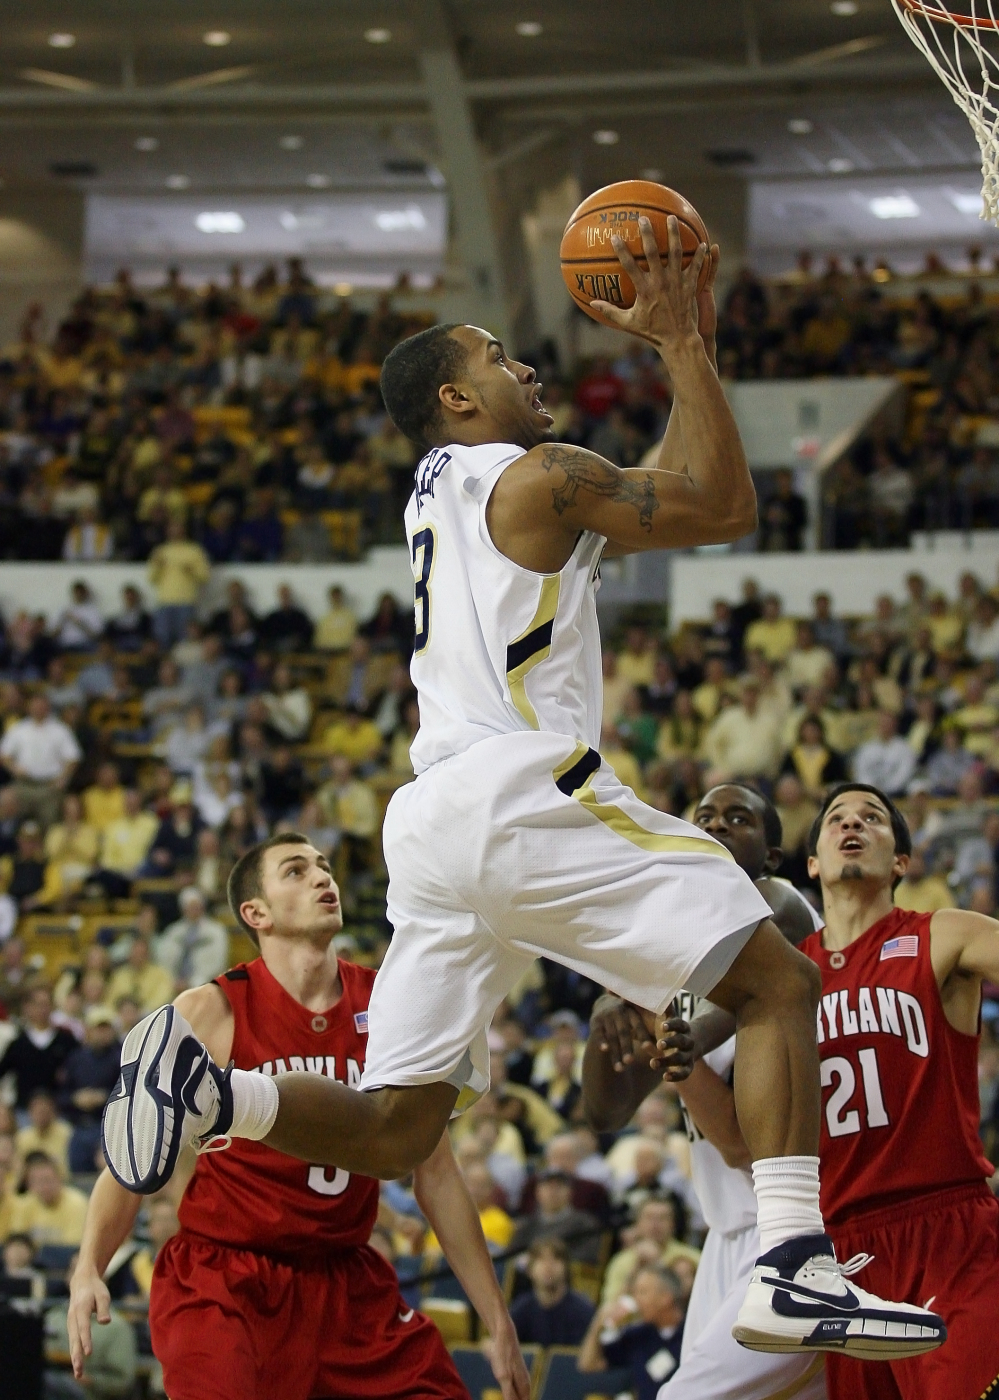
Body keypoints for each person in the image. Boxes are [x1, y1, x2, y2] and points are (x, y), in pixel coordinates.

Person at [102, 220, 941, 1358]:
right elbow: (722, 504)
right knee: (780, 979)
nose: (528, 365)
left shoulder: (452, 492)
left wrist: (678, 375)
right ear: (456, 396)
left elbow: (657, 487)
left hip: (430, 819)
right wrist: (681, 345)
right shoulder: (542, 476)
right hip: (518, 791)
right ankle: (793, 1263)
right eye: (499, 357)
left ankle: (216, 1094)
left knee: (400, 1129)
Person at [73, 833, 528, 1400]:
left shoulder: (388, 1006)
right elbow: (134, 1151)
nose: (321, 877)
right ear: (255, 913)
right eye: (295, 870)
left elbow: (434, 1171)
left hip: (345, 1279)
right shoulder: (210, 1010)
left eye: (323, 866)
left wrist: (497, 1319)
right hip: (227, 1278)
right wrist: (88, 1266)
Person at [581, 782, 826, 1400]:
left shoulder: (780, 906)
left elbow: (737, 1134)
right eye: (704, 817)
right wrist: (606, 1012)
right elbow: (606, 1110)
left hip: (786, 1221)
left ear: (772, 854)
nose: (717, 826)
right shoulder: (672, 946)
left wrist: (661, 1027)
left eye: (739, 819)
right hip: (723, 1235)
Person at [799, 783, 999, 1400]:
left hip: (945, 1227)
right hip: (842, 1253)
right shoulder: (786, 976)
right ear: (813, 862)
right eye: (836, 818)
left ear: (901, 861)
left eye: (872, 818)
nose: (852, 824)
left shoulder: (944, 934)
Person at [579, 1262, 686, 1400]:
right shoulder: (637, 1335)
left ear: (666, 1297)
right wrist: (598, 1324)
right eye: (634, 1293)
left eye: (643, 1292)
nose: (636, 1300)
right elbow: (588, 1364)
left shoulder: (693, 1333)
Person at [508, 1236, 595, 1346]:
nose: (548, 1266)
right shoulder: (520, 1308)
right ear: (529, 1270)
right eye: (541, 1259)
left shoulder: (583, 1310)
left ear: (566, 1268)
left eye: (556, 1259)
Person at [155, 886, 229, 990]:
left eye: (196, 906)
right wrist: (174, 981)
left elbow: (218, 964)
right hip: (174, 984)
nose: (194, 910)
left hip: (205, 984)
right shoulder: (173, 931)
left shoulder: (217, 931)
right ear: (183, 909)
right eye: (189, 907)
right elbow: (163, 960)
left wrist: (191, 982)